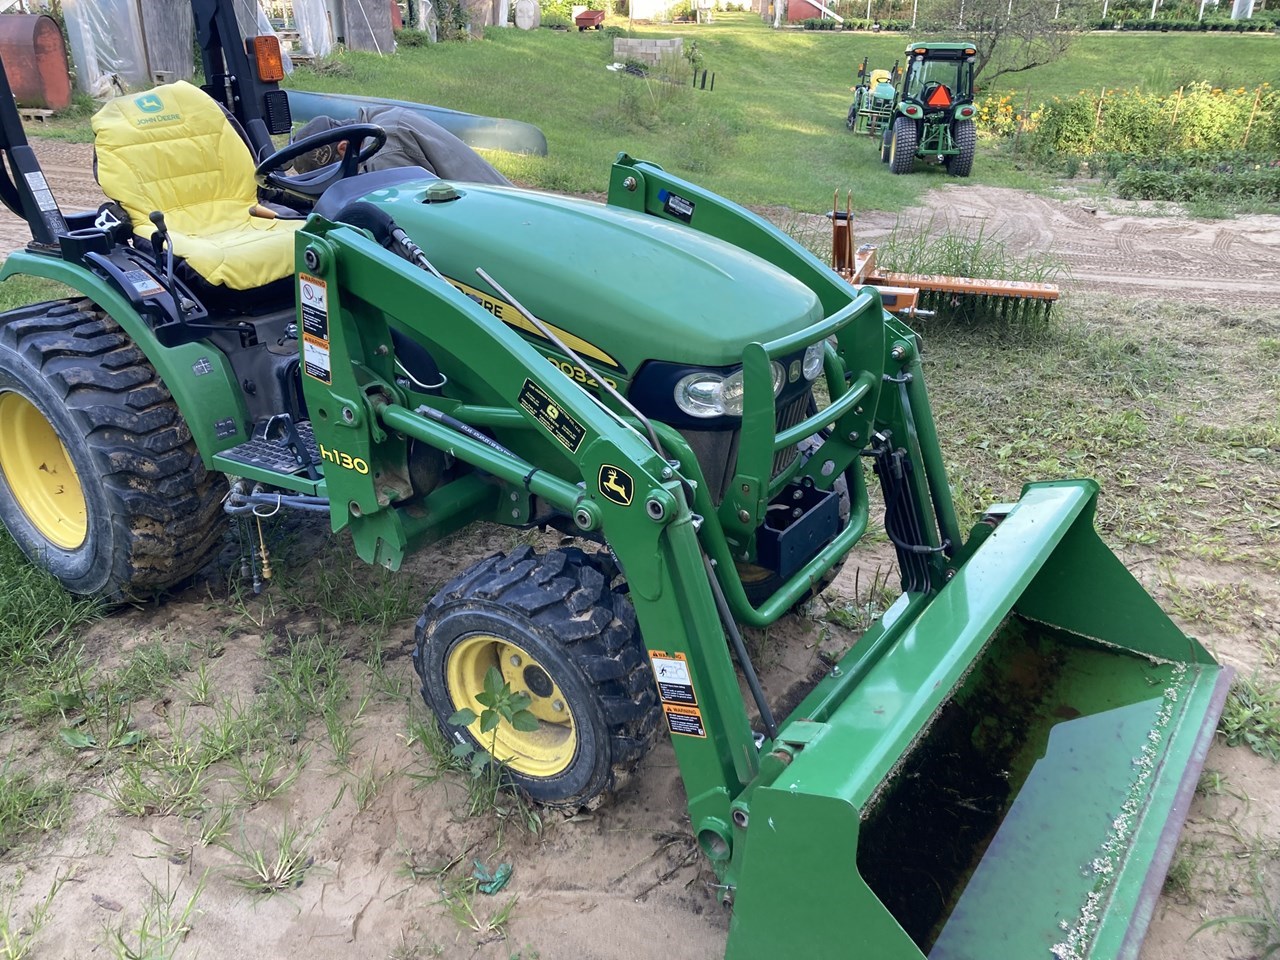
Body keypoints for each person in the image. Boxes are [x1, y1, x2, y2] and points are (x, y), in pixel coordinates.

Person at [291, 104, 511, 185]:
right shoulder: (377, 122)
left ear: (344, 149)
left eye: (333, 175)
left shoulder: (384, 152)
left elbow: (412, 225)